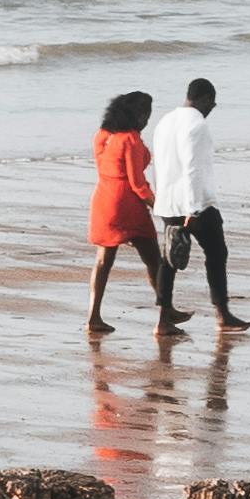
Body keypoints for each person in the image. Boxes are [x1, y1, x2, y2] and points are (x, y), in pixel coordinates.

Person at [147, 74, 250, 330]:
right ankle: (222, 314)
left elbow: (159, 164)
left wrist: (161, 198)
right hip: (196, 204)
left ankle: (163, 318)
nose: (211, 109)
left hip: (168, 202)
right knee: (216, 254)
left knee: (169, 258)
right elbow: (193, 167)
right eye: (211, 104)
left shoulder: (164, 121)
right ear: (204, 99)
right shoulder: (197, 124)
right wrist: (193, 209)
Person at [86, 88, 184, 336]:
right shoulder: (130, 139)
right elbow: (137, 184)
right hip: (126, 205)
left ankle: (93, 317)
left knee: (103, 261)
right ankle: (165, 318)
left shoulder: (102, 135)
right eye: (146, 114)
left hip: (103, 201)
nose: (147, 119)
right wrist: (160, 207)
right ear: (138, 115)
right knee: (154, 262)